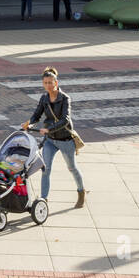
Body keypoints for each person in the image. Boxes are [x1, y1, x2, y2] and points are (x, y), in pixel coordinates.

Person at [21, 67, 85, 208]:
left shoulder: (65, 99)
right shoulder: (44, 98)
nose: (48, 85)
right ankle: (43, 201)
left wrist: (48, 128)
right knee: (46, 168)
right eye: (45, 83)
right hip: (50, 140)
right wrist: (29, 123)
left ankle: (81, 192)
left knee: (72, 168)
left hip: (65, 140)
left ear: (56, 82)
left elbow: (65, 120)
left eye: (51, 82)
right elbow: (36, 115)